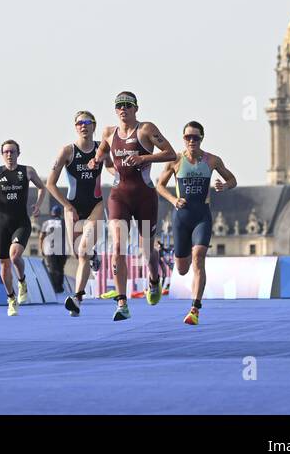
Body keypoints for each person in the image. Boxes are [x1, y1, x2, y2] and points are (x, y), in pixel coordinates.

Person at [88, 92, 176, 321]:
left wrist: (144, 159)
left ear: (136, 108)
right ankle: (122, 302)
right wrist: (95, 160)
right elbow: (101, 153)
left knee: (147, 250)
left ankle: (154, 280)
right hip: (119, 196)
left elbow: (170, 153)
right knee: (118, 246)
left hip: (145, 195)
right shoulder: (109, 132)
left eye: (127, 105)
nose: (123, 109)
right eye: (119, 106)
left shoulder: (146, 129)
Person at [155, 121, 237, 326]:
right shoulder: (175, 160)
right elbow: (160, 186)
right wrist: (174, 201)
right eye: (188, 137)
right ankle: (178, 266)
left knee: (199, 257)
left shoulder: (212, 160)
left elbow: (232, 179)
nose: (192, 141)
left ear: (202, 138)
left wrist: (224, 186)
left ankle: (195, 309)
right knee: (182, 269)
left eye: (196, 137)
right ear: (183, 139)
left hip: (202, 215)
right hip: (181, 216)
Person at [43, 111, 106, 316]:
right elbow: (50, 184)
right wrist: (67, 206)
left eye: (87, 122)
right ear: (75, 127)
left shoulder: (101, 149)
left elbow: (115, 169)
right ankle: (92, 257)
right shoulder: (67, 151)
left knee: (84, 251)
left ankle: (77, 298)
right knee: (79, 254)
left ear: (94, 126)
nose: (83, 126)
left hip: (95, 205)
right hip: (72, 207)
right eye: (79, 123)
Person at [0, 140, 45, 315]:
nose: (9, 155)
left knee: (14, 255)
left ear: (18, 153)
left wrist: (38, 205)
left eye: (12, 151)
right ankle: (11, 299)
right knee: (4, 264)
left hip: (21, 222)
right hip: (2, 223)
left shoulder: (27, 171)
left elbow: (42, 188)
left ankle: (22, 281)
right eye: (6, 152)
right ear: (2, 154)